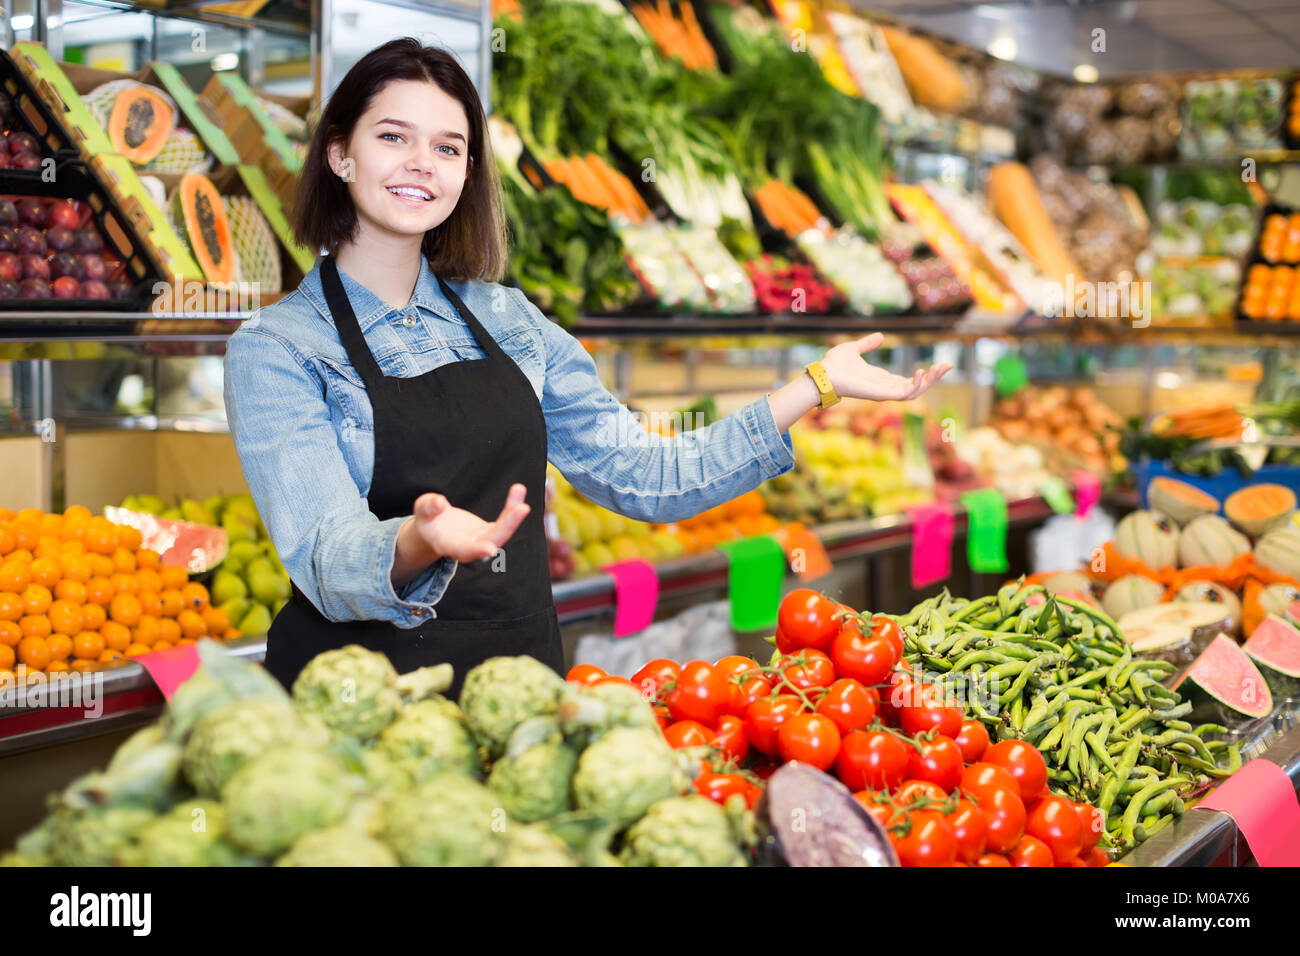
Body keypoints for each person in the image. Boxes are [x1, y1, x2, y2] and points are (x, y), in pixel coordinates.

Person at [223, 38, 951, 693]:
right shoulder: (279, 347)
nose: (422, 163)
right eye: (393, 137)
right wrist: (416, 542)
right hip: (359, 710)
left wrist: (813, 386)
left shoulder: (509, 320)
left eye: (449, 148)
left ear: (468, 172)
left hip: (520, 692)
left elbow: (649, 477)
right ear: (339, 154)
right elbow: (325, 557)